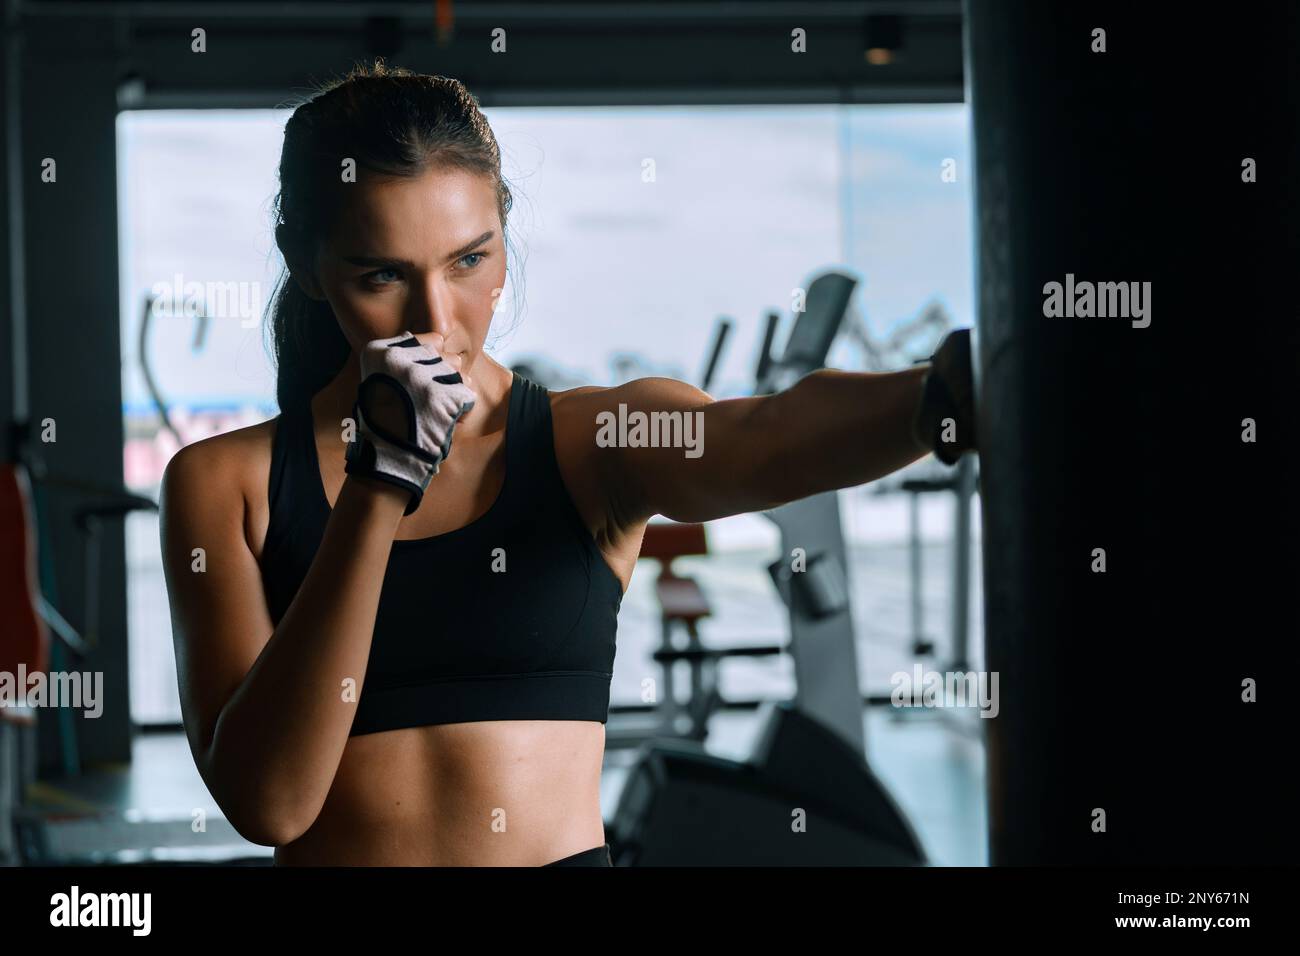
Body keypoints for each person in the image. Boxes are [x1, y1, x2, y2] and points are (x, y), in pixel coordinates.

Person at [158, 60, 976, 867]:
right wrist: (379, 485)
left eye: (469, 261)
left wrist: (948, 392)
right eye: (381, 275)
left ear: (505, 245)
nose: (434, 319)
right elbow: (270, 803)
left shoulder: (588, 444)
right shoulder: (225, 485)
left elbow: (764, 434)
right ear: (306, 266)